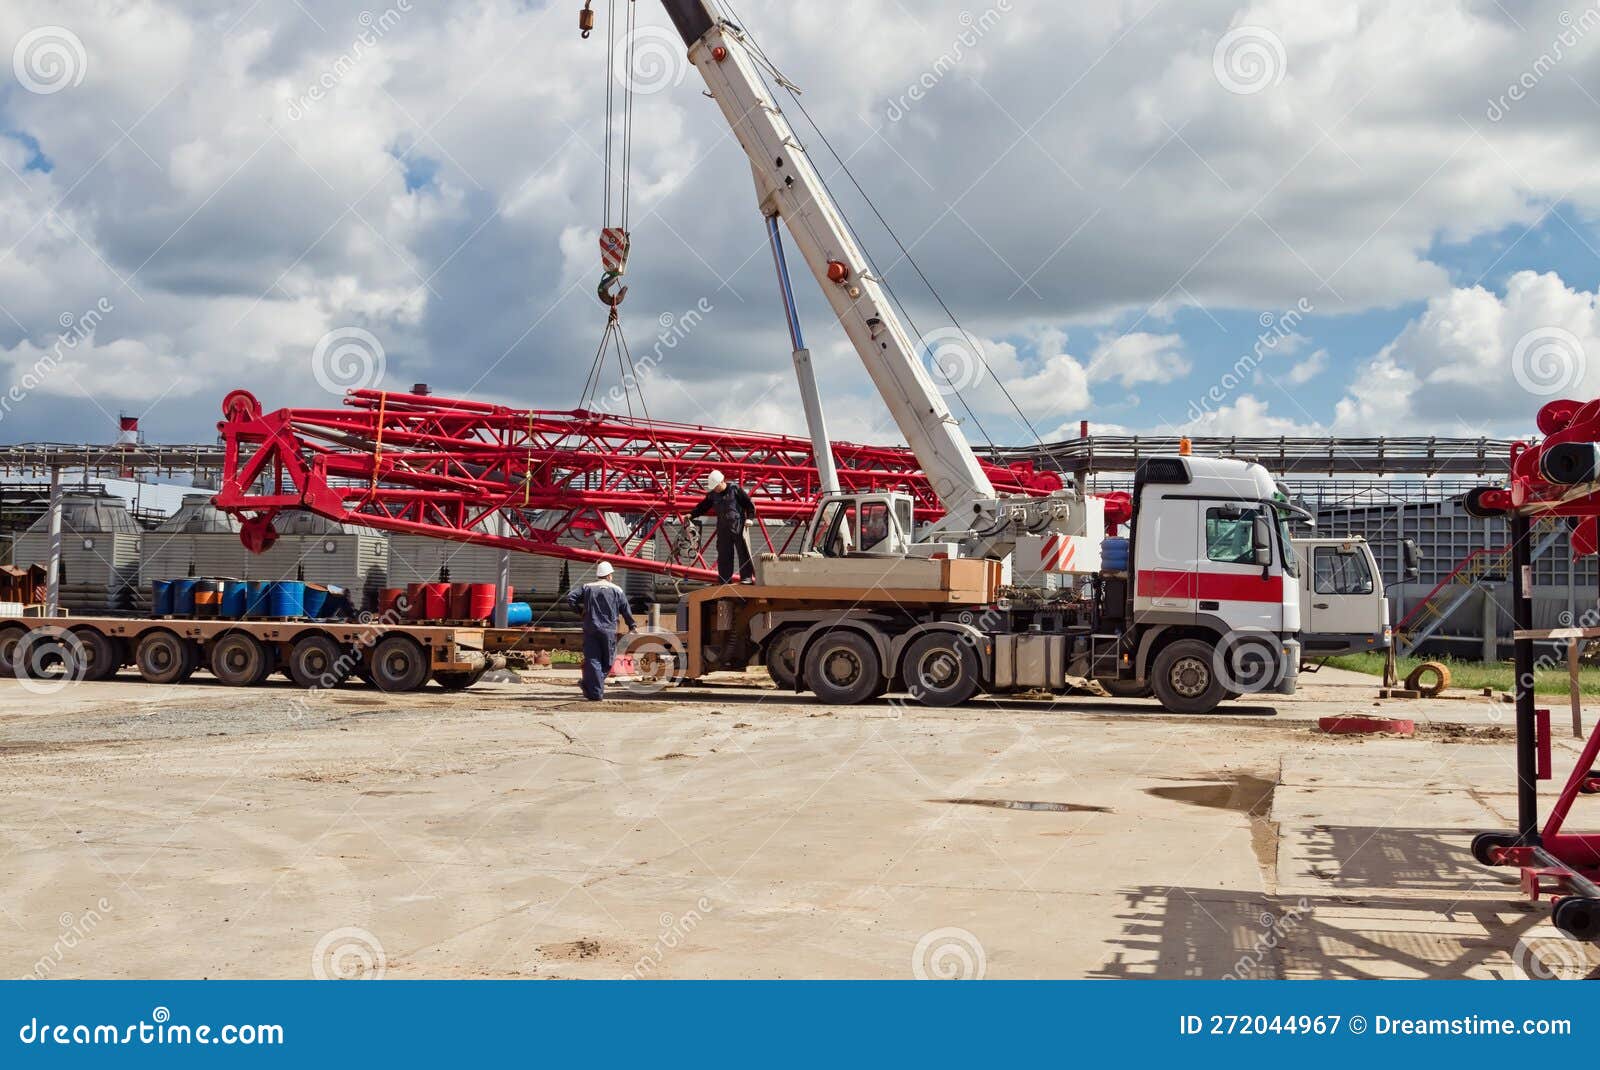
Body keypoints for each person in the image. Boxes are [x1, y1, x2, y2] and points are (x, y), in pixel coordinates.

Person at [565, 561, 637, 701]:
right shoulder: (617, 590)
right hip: (608, 630)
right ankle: (594, 691)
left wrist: (580, 612)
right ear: (609, 575)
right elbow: (625, 610)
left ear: (598, 574)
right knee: (608, 662)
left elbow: (570, 598)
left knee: (593, 660)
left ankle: (590, 686)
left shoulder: (587, 587)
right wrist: (632, 626)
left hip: (590, 628)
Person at [689, 469, 757, 584]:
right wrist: (691, 514)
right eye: (713, 487)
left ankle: (746, 578)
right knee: (724, 554)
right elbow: (702, 507)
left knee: (743, 552)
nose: (715, 489)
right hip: (723, 528)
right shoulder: (713, 495)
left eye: (716, 486)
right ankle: (724, 580)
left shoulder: (735, 489)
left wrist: (750, 518)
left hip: (738, 526)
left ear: (722, 481)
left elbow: (749, 504)